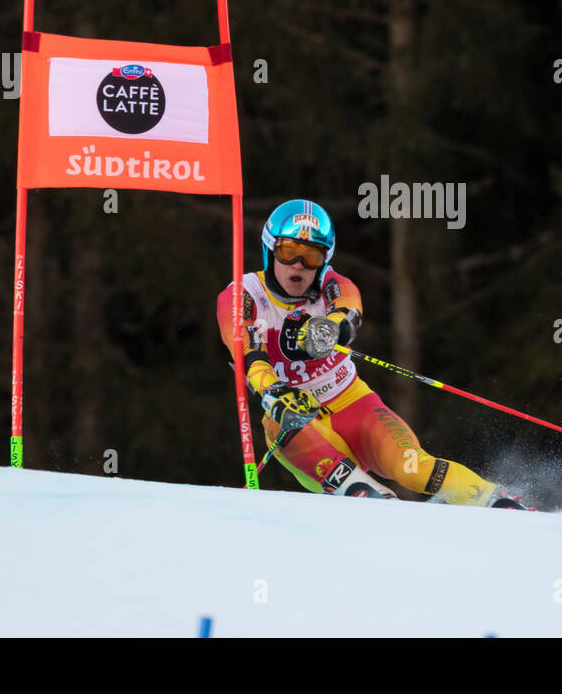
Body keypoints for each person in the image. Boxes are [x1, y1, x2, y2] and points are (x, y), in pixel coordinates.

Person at [216, 198, 531, 508]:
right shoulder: (243, 296)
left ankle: (497, 501)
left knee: (413, 468)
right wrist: (273, 392)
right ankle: (371, 500)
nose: (299, 265)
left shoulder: (331, 283)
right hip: (299, 419)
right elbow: (247, 352)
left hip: (352, 402)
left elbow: (348, 311)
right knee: (280, 421)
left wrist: (327, 330)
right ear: (270, 250)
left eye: (311, 256)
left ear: (324, 260)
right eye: (289, 252)